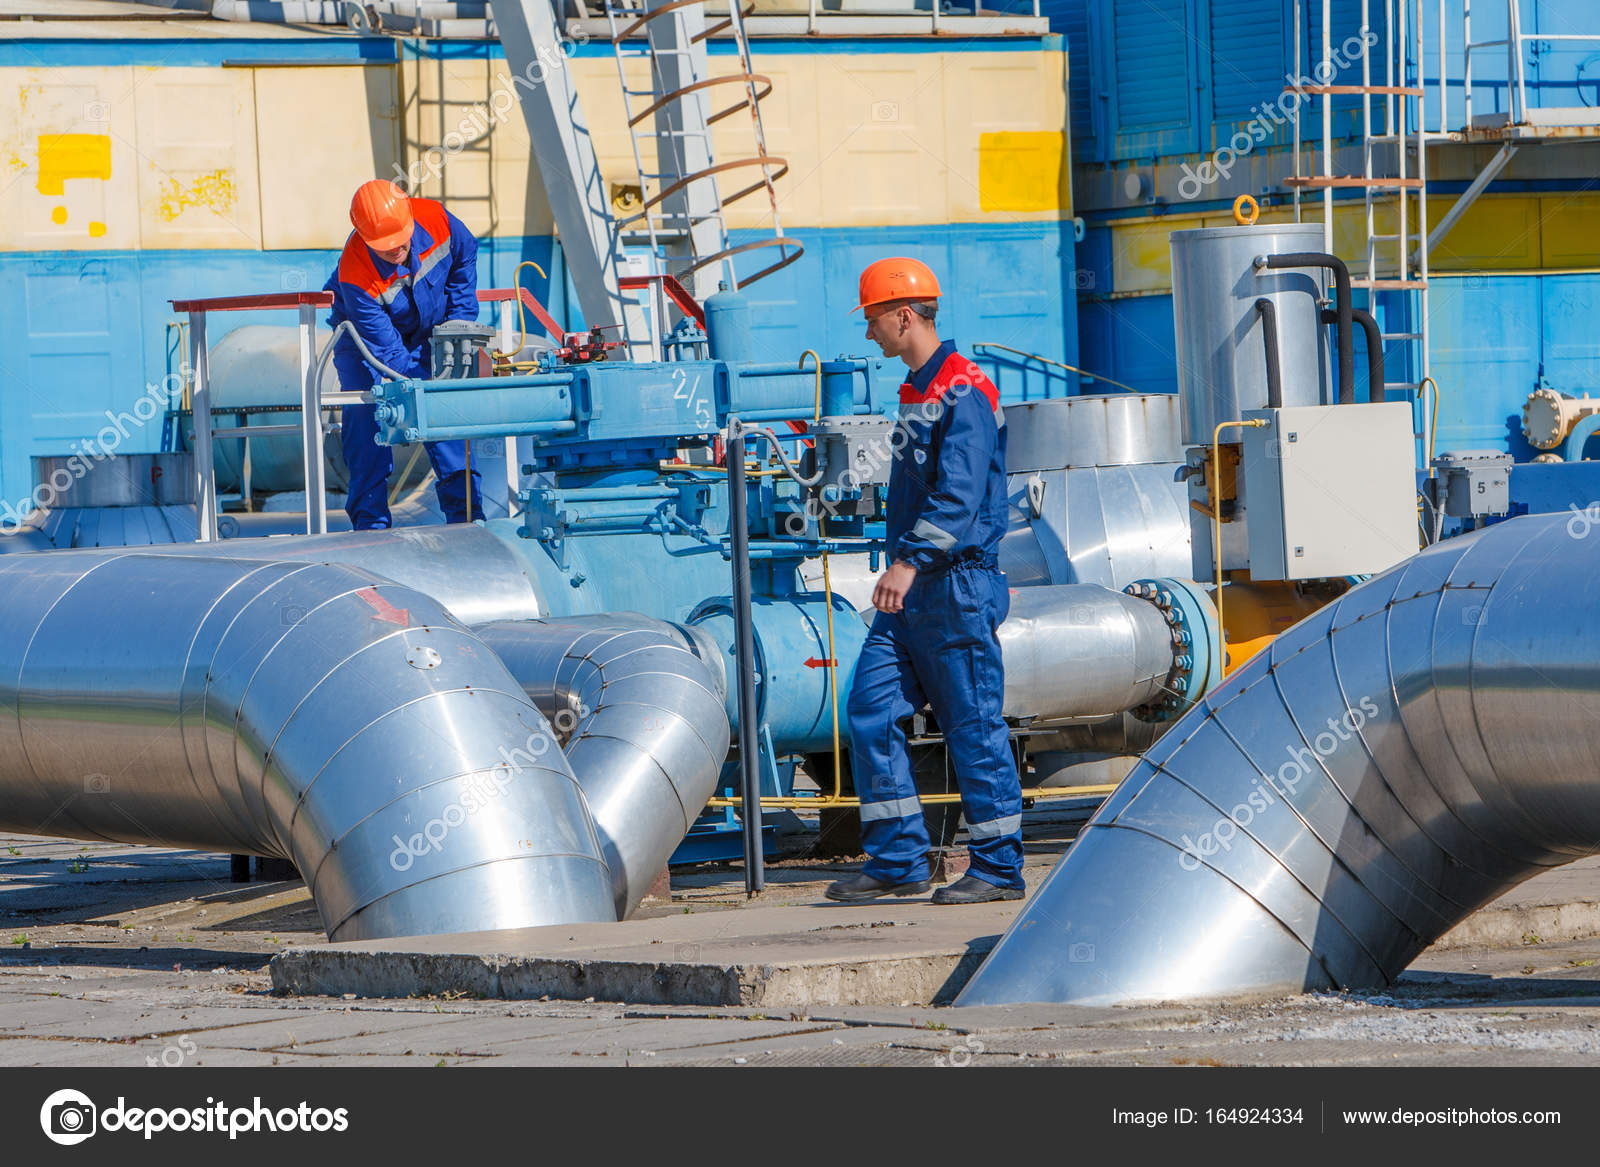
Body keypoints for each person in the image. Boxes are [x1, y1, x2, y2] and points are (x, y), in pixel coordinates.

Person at [825, 258, 1026, 906]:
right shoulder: (919, 388)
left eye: (874, 320)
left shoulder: (964, 389)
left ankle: (998, 868)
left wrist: (908, 562)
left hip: (953, 586)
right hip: (913, 594)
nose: (869, 333)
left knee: (972, 726)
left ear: (904, 315)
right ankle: (898, 859)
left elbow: (959, 494)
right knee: (871, 707)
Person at [324, 179, 485, 530]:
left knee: (446, 414)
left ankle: (467, 520)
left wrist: (459, 321)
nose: (396, 250)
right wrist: (419, 389)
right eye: (385, 248)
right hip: (363, 342)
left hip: (429, 330)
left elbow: (465, 257)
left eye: (401, 240)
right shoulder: (355, 274)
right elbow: (389, 352)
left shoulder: (437, 220)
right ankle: (371, 526)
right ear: (364, 238)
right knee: (366, 417)